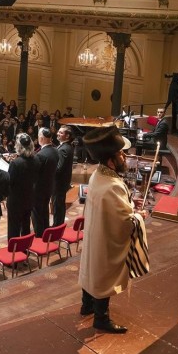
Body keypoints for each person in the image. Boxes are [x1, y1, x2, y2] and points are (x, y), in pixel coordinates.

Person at [79, 125, 143, 333]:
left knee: (91, 269)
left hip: (94, 234)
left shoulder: (97, 175)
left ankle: (87, 305)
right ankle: (101, 318)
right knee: (104, 274)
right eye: (121, 154)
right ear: (110, 161)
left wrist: (129, 204)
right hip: (106, 240)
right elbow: (124, 222)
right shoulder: (113, 185)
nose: (125, 157)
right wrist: (139, 216)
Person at [7, 134, 38, 238]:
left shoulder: (15, 163)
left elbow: (10, 182)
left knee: (13, 229)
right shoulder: (36, 160)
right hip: (29, 197)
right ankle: (25, 246)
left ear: (19, 147)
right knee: (25, 226)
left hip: (15, 200)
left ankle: (14, 248)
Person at [33, 128, 58, 236]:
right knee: (44, 210)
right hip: (49, 186)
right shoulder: (55, 151)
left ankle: (39, 234)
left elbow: (34, 172)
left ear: (41, 138)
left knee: (37, 212)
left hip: (38, 188)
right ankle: (46, 231)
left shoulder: (41, 155)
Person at [53, 126, 75, 227]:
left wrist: (48, 171)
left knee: (58, 205)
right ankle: (59, 224)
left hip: (59, 182)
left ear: (67, 136)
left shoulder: (64, 149)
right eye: (58, 131)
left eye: (61, 133)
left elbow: (59, 168)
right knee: (59, 204)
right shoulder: (66, 146)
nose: (58, 133)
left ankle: (57, 226)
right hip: (62, 182)